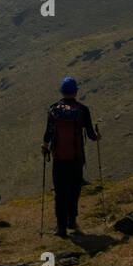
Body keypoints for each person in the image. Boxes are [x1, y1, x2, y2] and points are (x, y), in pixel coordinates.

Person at [41, 76, 100, 237]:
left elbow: (48, 133)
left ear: (62, 91)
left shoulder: (54, 109)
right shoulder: (83, 110)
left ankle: (61, 228)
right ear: (76, 91)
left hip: (59, 158)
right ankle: (72, 221)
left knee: (60, 192)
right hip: (77, 158)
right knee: (74, 189)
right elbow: (91, 134)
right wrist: (97, 136)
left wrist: (45, 147)